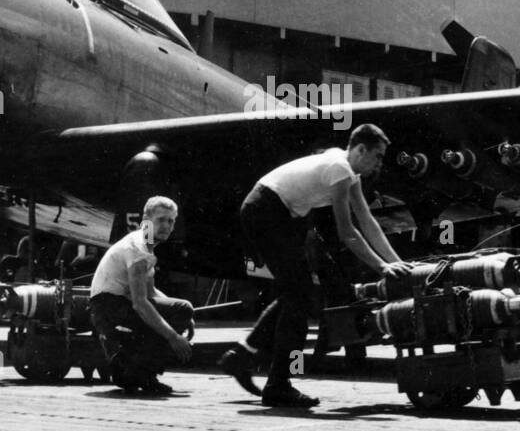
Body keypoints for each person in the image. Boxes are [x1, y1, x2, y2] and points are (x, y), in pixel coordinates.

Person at [220, 124, 409, 407]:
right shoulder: (340, 170)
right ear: (360, 149)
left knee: (294, 293)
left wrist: (398, 263)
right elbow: (348, 233)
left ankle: (243, 356)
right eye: (377, 156)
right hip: (266, 209)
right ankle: (278, 384)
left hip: (271, 210)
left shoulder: (345, 168)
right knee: (299, 295)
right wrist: (382, 267)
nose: (379, 163)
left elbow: (368, 222)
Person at [88, 196, 194, 396]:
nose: (167, 226)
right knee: (183, 309)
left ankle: (132, 368)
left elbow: (152, 293)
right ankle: (137, 371)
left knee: (182, 311)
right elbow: (140, 303)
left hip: (110, 306)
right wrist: (173, 336)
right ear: (146, 219)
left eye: (171, 221)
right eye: (161, 219)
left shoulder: (145, 246)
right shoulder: (138, 248)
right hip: (108, 306)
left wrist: (184, 318)